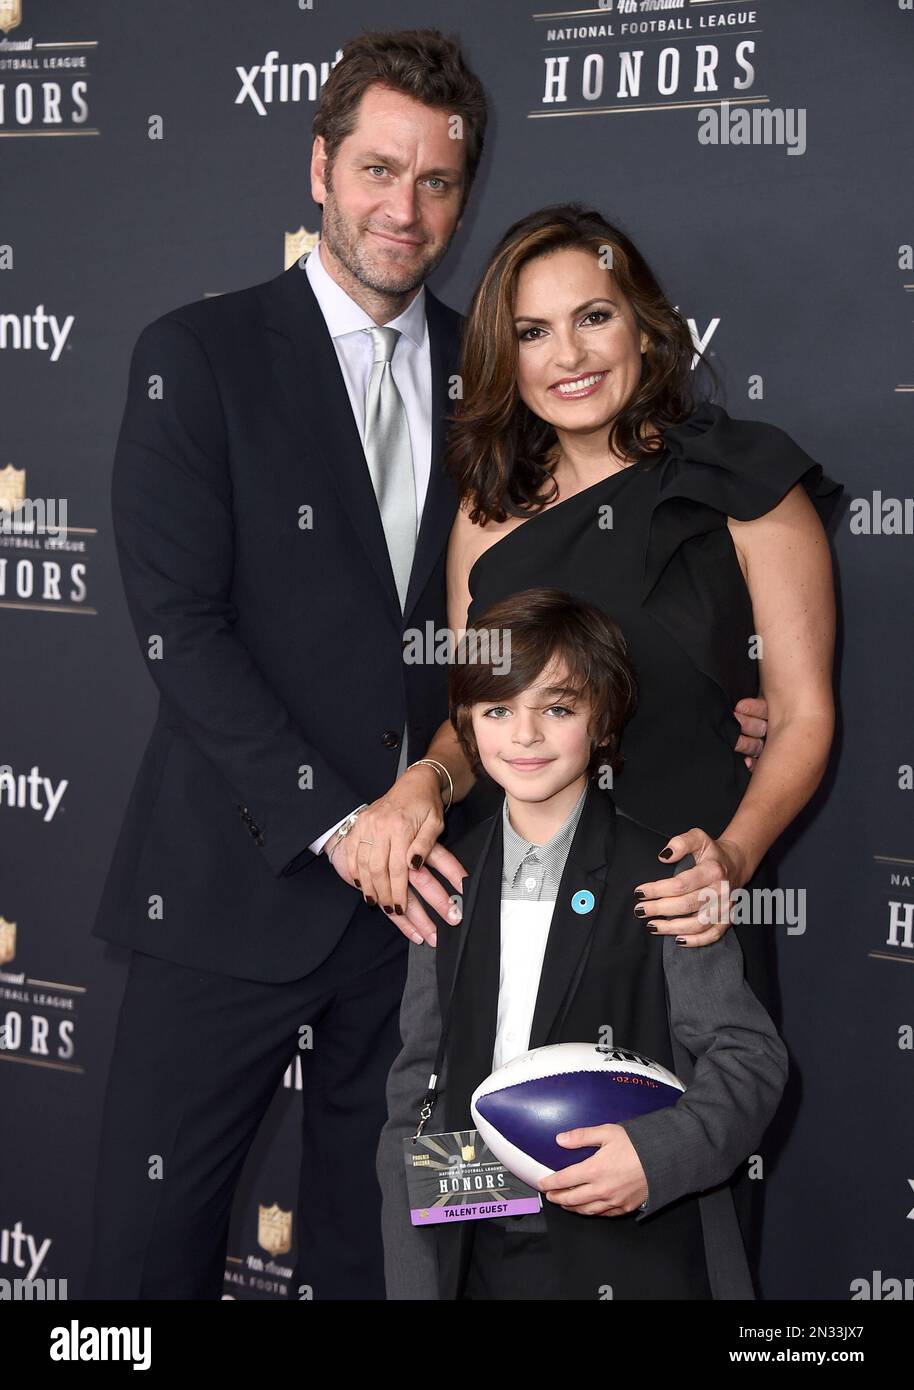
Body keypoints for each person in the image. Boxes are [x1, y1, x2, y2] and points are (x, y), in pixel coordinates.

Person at [346, 203, 841, 1269]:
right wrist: (423, 783)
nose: (565, 356)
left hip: (670, 905)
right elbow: (470, 712)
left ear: (645, 327)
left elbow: (799, 715)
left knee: (656, 1214)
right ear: (501, 354)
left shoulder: (743, 487)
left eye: (592, 317)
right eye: (530, 332)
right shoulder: (489, 509)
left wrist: (733, 859)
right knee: (469, 1209)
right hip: (505, 904)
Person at [84, 28, 489, 1301]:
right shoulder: (193, 354)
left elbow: (529, 629)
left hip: (427, 908)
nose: (402, 207)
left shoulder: (497, 378)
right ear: (318, 167)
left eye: (434, 182)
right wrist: (337, 821)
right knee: (140, 1265)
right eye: (377, 169)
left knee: (398, 1252)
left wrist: (421, 795)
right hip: (223, 890)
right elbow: (178, 627)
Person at [376, 588, 789, 1299]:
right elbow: (418, 1087)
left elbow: (748, 1059)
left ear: (602, 720)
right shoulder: (448, 881)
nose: (525, 735)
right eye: (499, 709)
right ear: (468, 725)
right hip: (477, 1244)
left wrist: (653, 1155)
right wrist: (419, 1278)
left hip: (630, 1253)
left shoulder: (665, 878)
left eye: (557, 709)